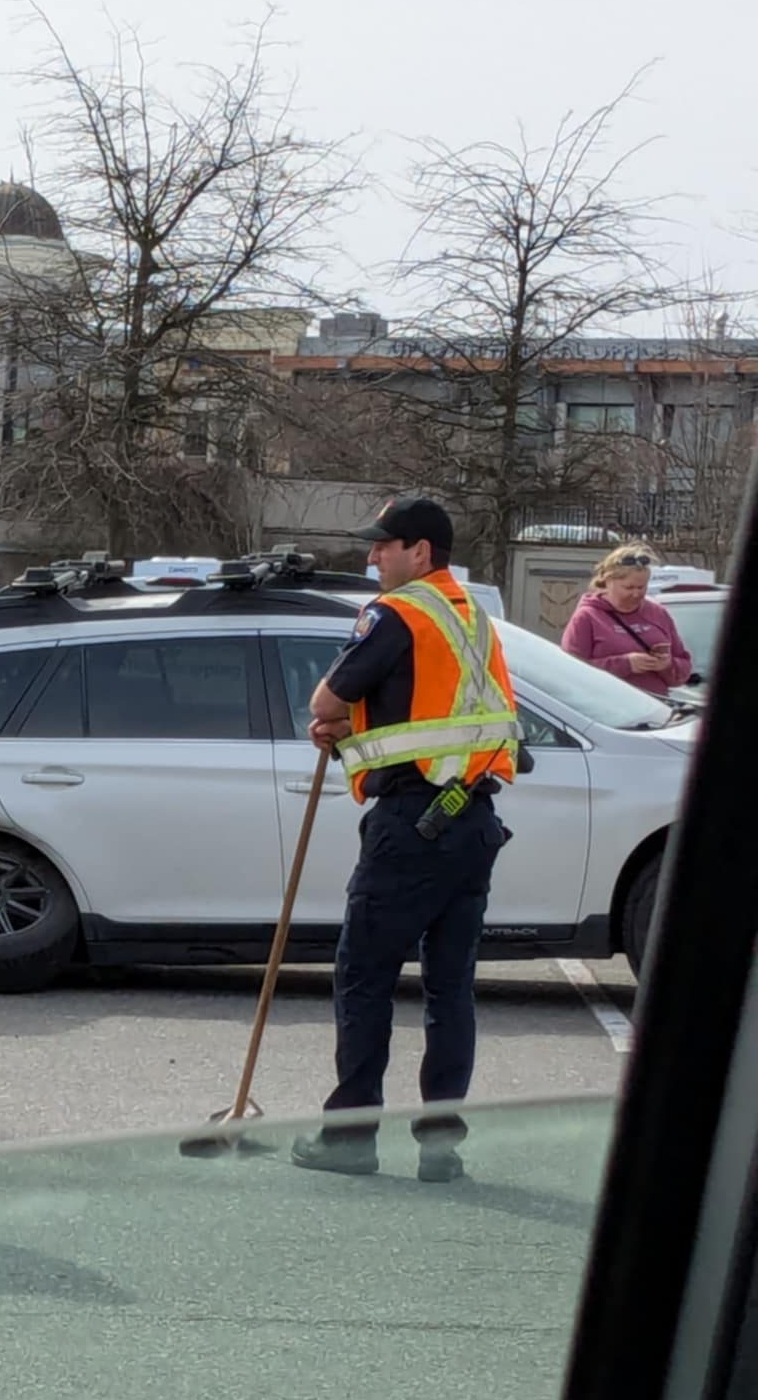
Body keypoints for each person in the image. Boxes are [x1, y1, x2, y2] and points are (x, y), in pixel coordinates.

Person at [292, 496, 521, 1184]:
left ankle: (351, 1138)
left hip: (412, 824)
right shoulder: (472, 617)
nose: (371, 557)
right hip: (473, 819)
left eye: (382, 546)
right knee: (451, 990)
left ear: (420, 553)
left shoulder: (399, 614)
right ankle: (440, 1148)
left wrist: (334, 723)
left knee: (364, 977)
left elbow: (326, 700)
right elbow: (443, 712)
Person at [559, 544, 693, 697]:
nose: (636, 594)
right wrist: (625, 664)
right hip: (608, 710)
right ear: (608, 581)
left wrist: (667, 665)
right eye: (628, 588)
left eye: (641, 587)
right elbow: (570, 673)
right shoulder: (587, 617)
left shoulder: (658, 613)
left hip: (655, 707)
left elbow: (684, 668)